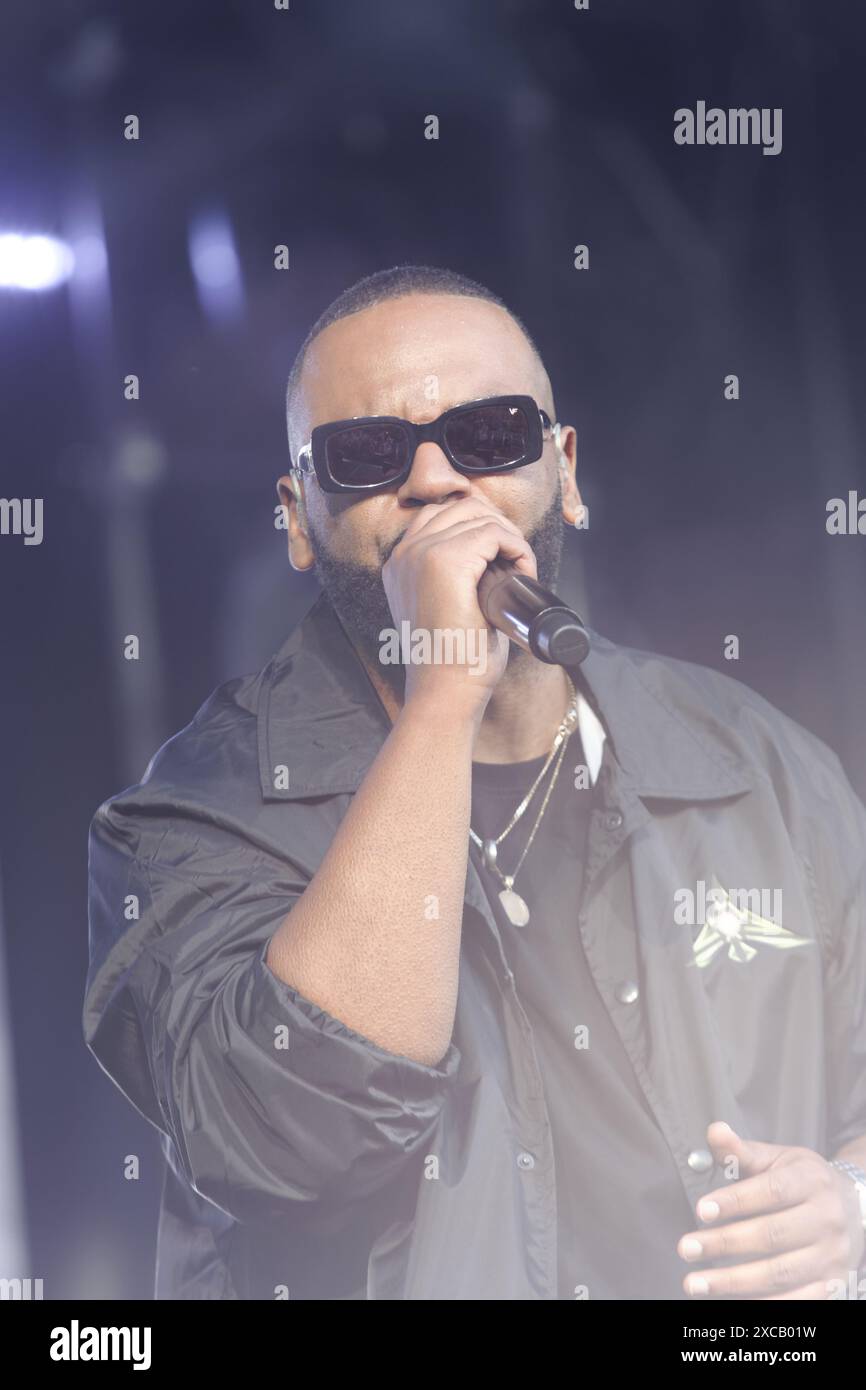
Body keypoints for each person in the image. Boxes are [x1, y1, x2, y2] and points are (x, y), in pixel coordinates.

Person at [84, 264, 866, 1300]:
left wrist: (845, 1206)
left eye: (489, 434)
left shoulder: (757, 766)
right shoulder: (190, 816)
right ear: (297, 515)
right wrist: (443, 692)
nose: (437, 480)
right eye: (365, 456)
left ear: (565, 470)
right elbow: (289, 1139)